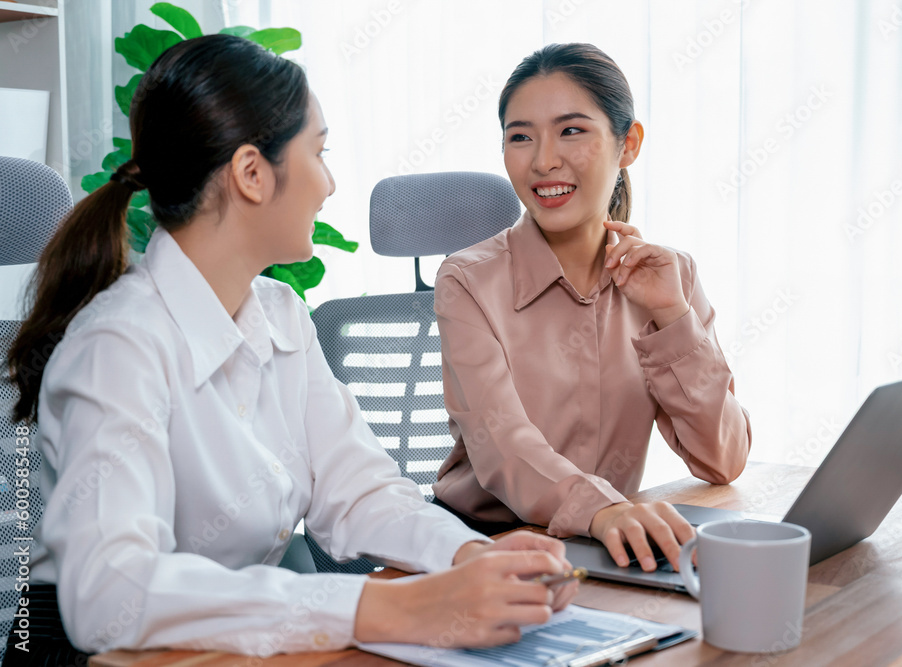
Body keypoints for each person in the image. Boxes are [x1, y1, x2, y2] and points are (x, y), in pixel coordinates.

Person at [3, 34, 575, 663]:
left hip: (224, 649)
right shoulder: (117, 344)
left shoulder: (280, 315)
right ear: (252, 174)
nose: (329, 184)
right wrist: (395, 607)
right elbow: (112, 595)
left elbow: (357, 490)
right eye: (319, 153)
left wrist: (469, 556)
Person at [431, 43, 752, 574]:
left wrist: (673, 316)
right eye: (520, 137)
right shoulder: (467, 281)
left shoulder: (671, 276)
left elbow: (723, 459)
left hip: (606, 551)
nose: (543, 161)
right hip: (485, 550)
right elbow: (503, 447)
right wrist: (604, 511)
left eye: (572, 130)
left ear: (629, 144)